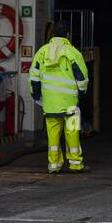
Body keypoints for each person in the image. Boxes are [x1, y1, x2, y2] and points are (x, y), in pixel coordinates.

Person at [29, 23, 89, 174]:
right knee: (72, 133)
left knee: (53, 136)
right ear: (68, 35)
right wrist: (80, 94)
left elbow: (34, 78)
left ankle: (54, 165)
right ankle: (76, 164)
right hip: (70, 104)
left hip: (50, 104)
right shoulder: (73, 53)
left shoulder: (41, 53)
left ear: (52, 34)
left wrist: (36, 96)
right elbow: (82, 78)